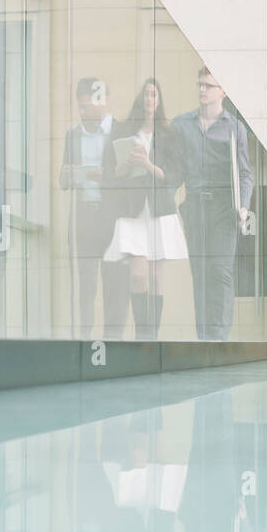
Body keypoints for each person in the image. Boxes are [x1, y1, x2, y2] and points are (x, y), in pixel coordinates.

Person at [102, 78, 186, 340]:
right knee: (138, 275)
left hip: (159, 209)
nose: (149, 100)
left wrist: (148, 164)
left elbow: (175, 175)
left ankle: (151, 337)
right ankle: (141, 334)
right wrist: (128, 163)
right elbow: (111, 173)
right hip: (133, 210)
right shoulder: (123, 133)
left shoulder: (169, 134)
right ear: (140, 99)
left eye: (154, 95)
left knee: (155, 276)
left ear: (159, 100)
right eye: (146, 95)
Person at [174, 67, 254, 341]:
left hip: (224, 207)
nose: (202, 90)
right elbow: (172, 167)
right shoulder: (181, 124)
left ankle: (219, 339)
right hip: (195, 206)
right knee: (201, 274)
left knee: (220, 272)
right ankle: (203, 338)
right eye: (200, 85)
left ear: (222, 91)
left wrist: (243, 207)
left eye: (208, 86)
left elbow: (245, 173)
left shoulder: (234, 127)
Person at [60, 78, 128, 339]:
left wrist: (104, 176)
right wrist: (68, 175)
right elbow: (62, 181)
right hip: (83, 220)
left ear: (101, 101)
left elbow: (130, 177)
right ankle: (83, 342)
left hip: (112, 220)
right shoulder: (72, 135)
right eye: (80, 106)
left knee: (116, 288)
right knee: (84, 289)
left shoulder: (121, 132)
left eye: (87, 105)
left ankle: (114, 344)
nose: (82, 111)